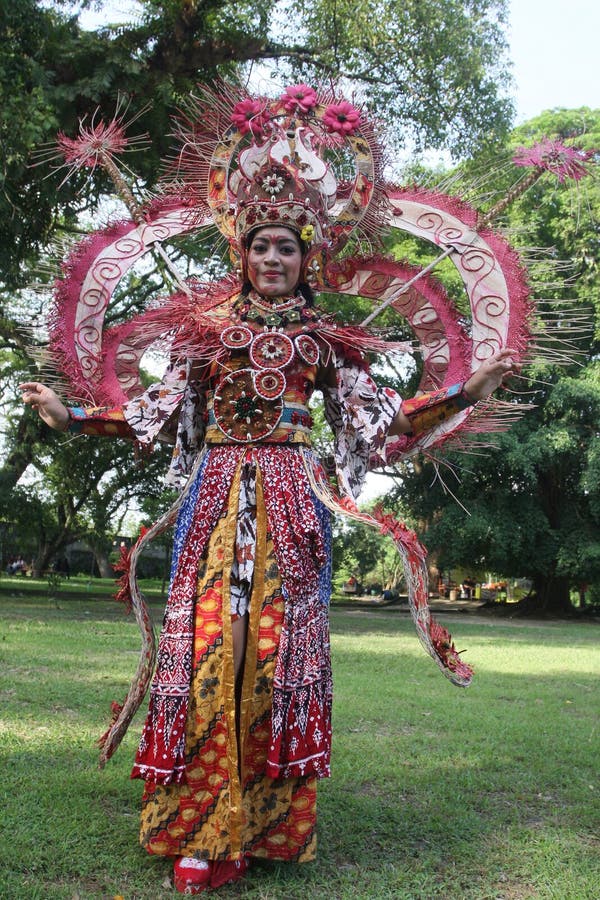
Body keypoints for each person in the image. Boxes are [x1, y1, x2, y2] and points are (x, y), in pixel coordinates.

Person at [20, 83, 519, 894]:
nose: (274, 259)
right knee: (209, 645)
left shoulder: (326, 341)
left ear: (306, 257)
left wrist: (471, 388)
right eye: (262, 247)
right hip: (216, 499)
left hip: (292, 502)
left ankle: (265, 825)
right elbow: (152, 412)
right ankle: (198, 827)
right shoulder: (205, 335)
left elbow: (385, 418)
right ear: (240, 253)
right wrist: (69, 417)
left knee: (277, 652)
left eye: (288, 247)